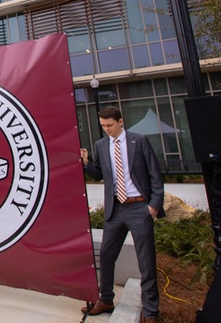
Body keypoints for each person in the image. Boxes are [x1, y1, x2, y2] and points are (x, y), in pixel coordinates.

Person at [80, 106, 164, 323]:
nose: (106, 129)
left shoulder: (139, 141)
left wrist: (153, 205)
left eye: (109, 125)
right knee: (106, 256)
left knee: (146, 261)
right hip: (115, 210)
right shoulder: (101, 145)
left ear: (120, 122)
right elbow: (100, 175)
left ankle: (151, 311)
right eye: (103, 126)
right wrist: (87, 164)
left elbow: (155, 174)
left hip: (139, 208)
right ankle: (106, 299)